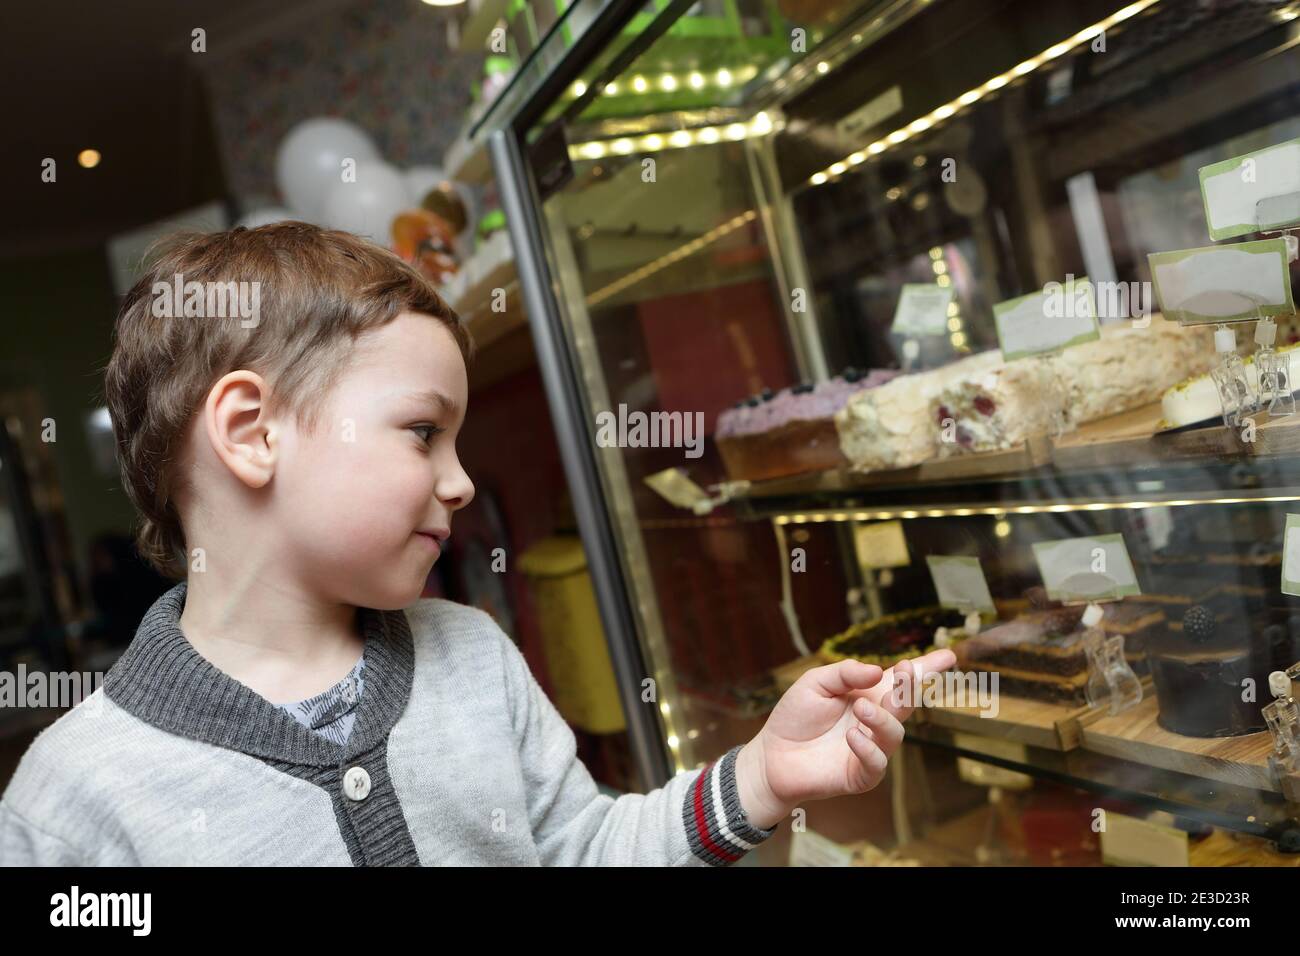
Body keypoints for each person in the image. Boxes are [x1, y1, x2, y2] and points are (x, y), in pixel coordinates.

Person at [0, 222, 955, 865]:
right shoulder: (72, 802)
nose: (459, 480)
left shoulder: (472, 657)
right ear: (253, 433)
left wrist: (761, 777)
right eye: (423, 432)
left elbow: (580, 850)